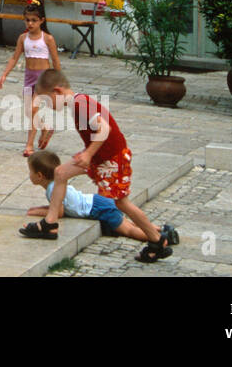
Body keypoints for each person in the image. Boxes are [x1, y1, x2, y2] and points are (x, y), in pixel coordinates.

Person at [19, 69, 176, 263]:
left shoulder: (79, 104)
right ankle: (50, 224)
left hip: (112, 159)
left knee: (121, 203)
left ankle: (157, 240)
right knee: (60, 173)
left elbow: (104, 129)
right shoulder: (77, 103)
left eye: (47, 101)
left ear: (57, 92)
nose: (47, 106)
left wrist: (88, 154)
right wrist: (88, 152)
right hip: (100, 158)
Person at [23, 150, 175, 246]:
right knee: (129, 223)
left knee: (128, 230)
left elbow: (59, 212)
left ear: (39, 175)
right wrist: (43, 208)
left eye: (30, 171)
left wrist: (38, 211)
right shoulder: (55, 186)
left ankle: (160, 240)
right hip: (98, 202)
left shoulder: (52, 190)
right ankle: (161, 229)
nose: (29, 175)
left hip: (98, 208)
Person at [0, 4, 61, 156]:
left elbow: (56, 61)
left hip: (43, 78)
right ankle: (45, 128)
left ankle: (29, 145)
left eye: (34, 20)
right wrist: (5, 74)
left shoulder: (48, 39)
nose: (30, 23)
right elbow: (14, 57)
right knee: (28, 111)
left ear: (41, 21)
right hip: (29, 77)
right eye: (27, 20)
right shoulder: (23, 38)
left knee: (32, 109)